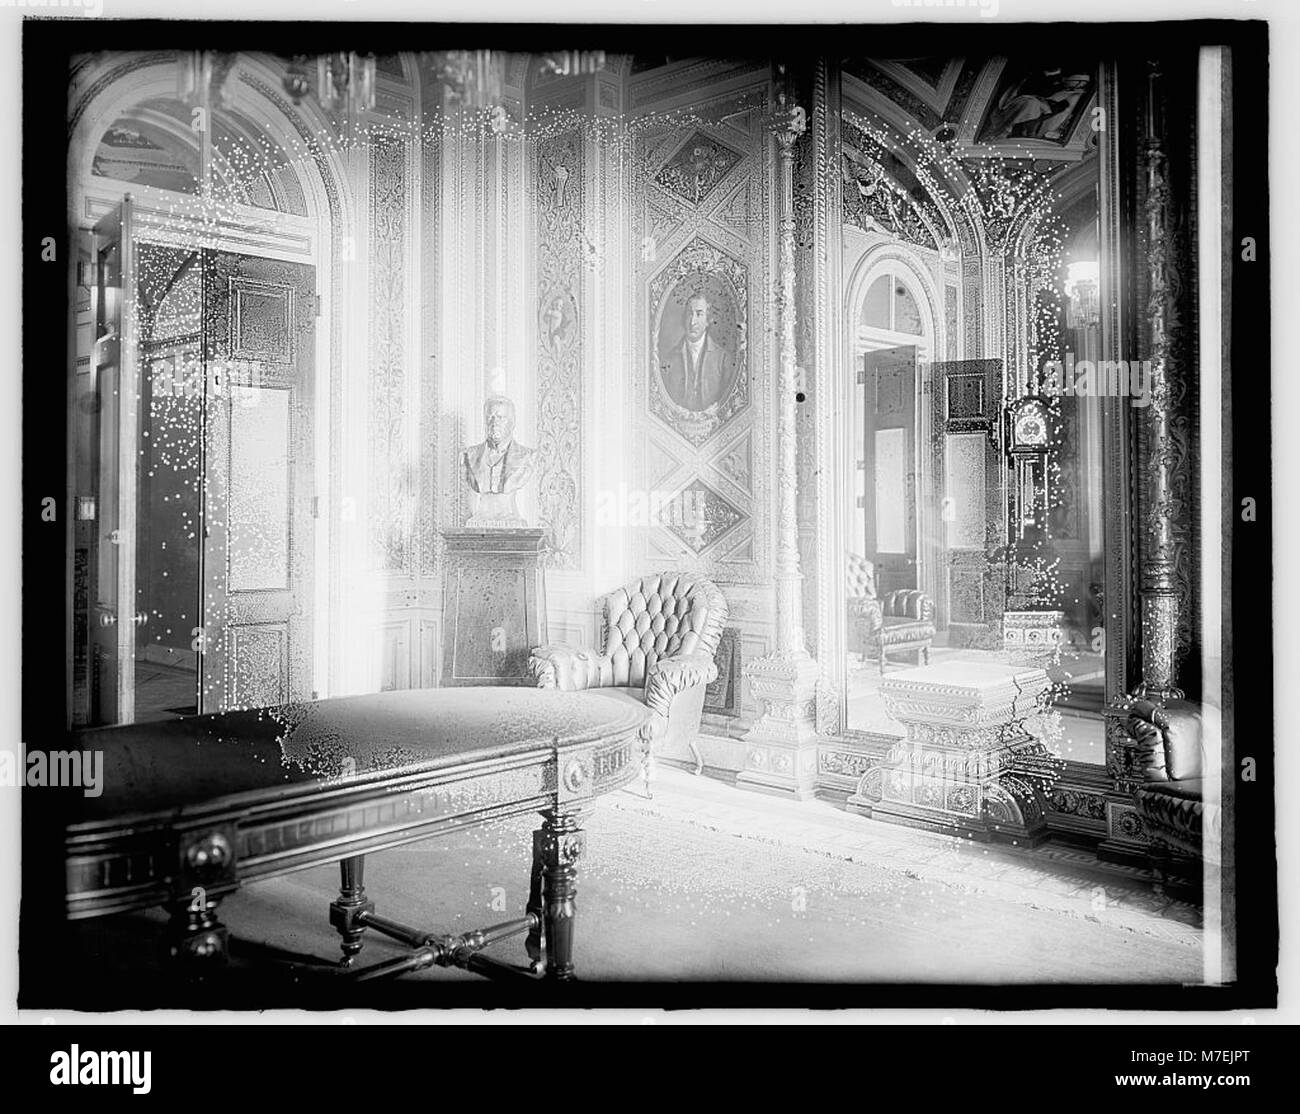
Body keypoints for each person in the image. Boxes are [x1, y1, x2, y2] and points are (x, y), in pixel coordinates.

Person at [461, 395, 537, 526]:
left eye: (501, 417)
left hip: (510, 515)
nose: (495, 422)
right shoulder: (469, 455)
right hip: (480, 518)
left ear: (512, 422)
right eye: (490, 417)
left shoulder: (527, 456)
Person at [659, 293, 733, 412]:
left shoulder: (723, 359)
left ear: (708, 320)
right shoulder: (669, 360)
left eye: (699, 314)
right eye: (689, 314)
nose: (692, 322)